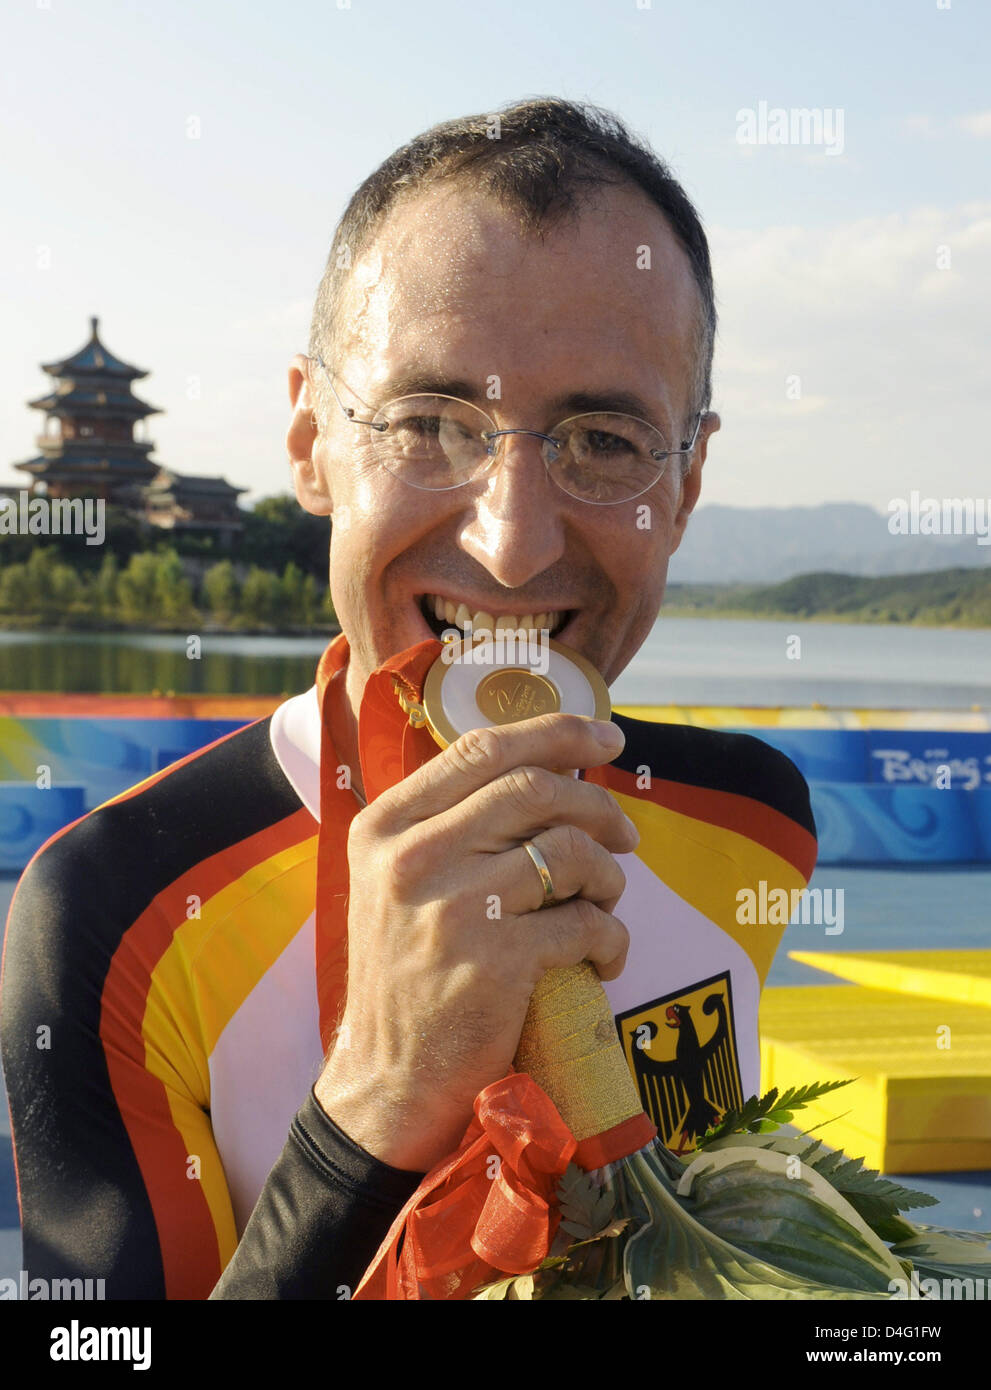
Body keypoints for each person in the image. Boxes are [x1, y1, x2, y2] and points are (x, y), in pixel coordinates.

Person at [0, 97, 817, 1300]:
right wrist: (369, 1109)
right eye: (430, 423)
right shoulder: (116, 909)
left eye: (603, 440)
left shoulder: (753, 822)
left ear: (685, 483)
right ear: (311, 442)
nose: (510, 543)